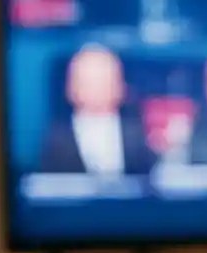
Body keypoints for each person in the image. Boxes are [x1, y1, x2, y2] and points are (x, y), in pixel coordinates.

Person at [40, 45, 156, 175]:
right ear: (71, 87)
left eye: (104, 79)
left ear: (121, 86)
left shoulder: (138, 134)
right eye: (89, 81)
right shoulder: (57, 140)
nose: (97, 89)